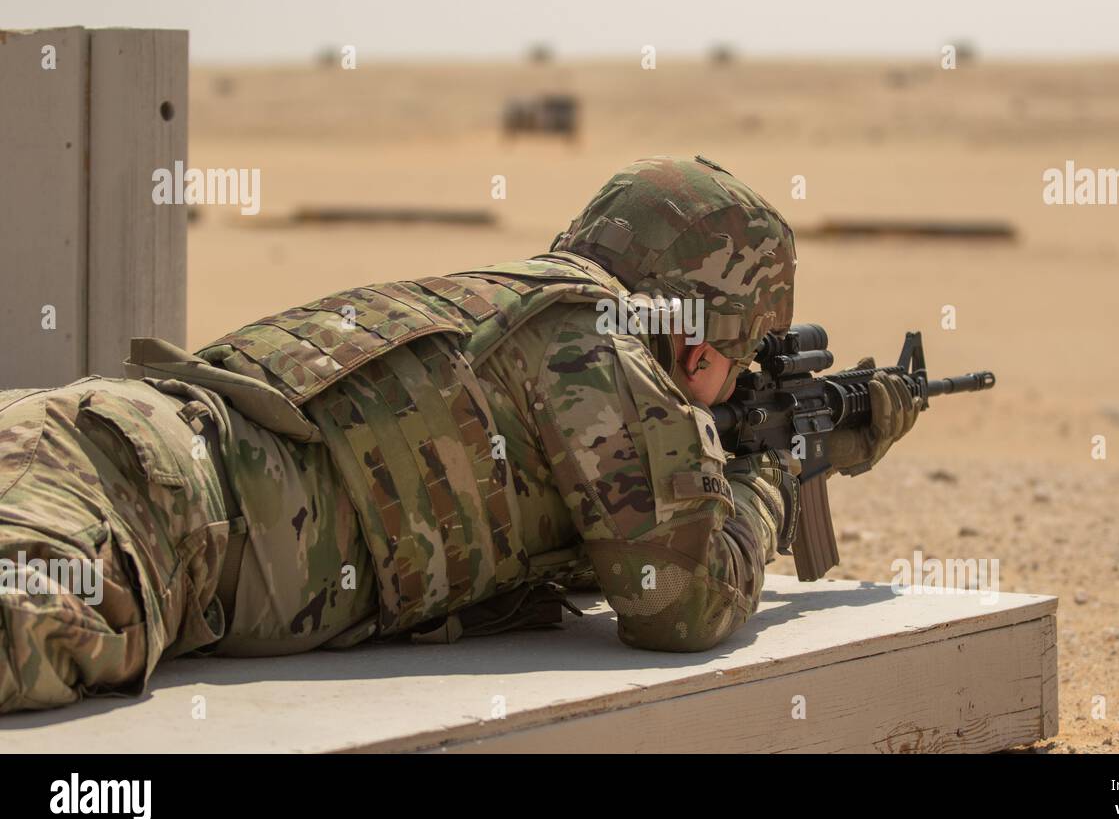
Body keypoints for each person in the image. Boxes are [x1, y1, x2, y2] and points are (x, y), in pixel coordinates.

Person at [0, 154, 918, 714]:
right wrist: (765, 484)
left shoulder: (520, 304)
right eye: (739, 352)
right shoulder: (597, 351)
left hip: (99, 447)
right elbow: (679, 604)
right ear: (691, 336)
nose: (735, 379)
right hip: (142, 513)